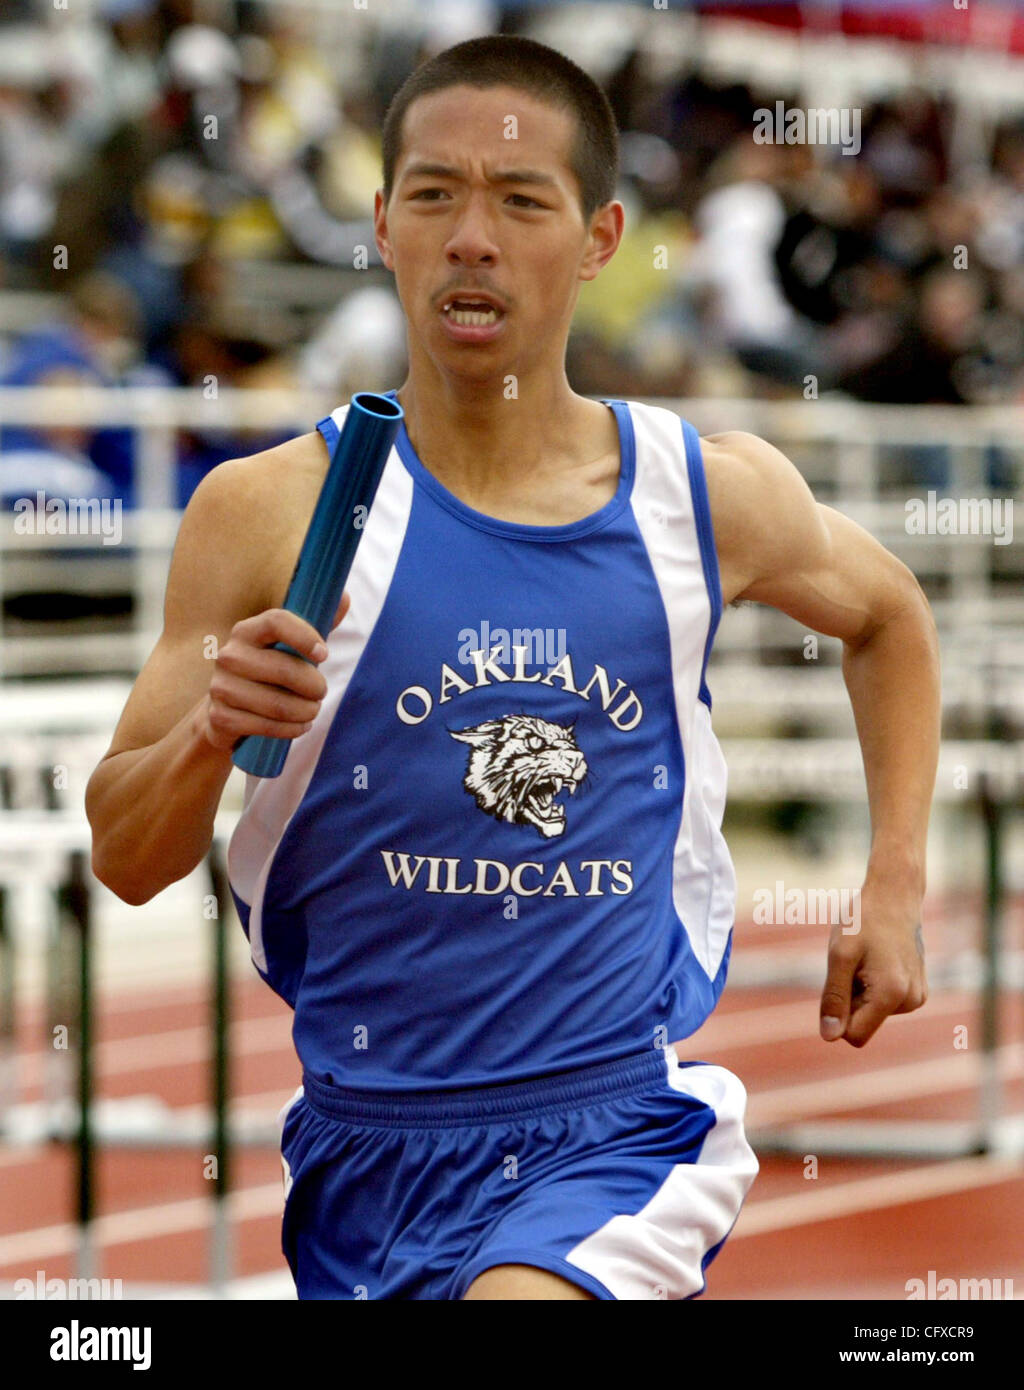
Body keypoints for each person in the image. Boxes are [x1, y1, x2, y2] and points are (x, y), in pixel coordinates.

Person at [86, 35, 940, 1301]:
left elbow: (887, 618)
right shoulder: (268, 513)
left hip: (612, 1132)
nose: (470, 237)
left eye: (518, 200)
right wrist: (210, 733)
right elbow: (124, 852)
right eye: (433, 195)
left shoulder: (702, 494)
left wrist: (894, 884)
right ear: (381, 223)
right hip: (361, 1150)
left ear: (597, 239)